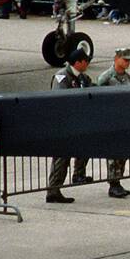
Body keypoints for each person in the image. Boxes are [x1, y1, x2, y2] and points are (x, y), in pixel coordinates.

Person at [45, 47, 94, 204]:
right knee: (61, 158)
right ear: (78, 62)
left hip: (77, 124)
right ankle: (53, 190)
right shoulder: (62, 77)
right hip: (62, 125)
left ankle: (76, 176)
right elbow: (60, 101)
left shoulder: (83, 78)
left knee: (81, 150)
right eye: (86, 61)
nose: (87, 64)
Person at [96, 47, 130, 199]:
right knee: (113, 154)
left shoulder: (128, 78)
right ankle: (113, 184)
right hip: (111, 121)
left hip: (125, 121)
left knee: (122, 154)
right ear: (116, 59)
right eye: (125, 59)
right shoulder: (106, 77)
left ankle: (118, 181)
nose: (127, 62)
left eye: (129, 60)